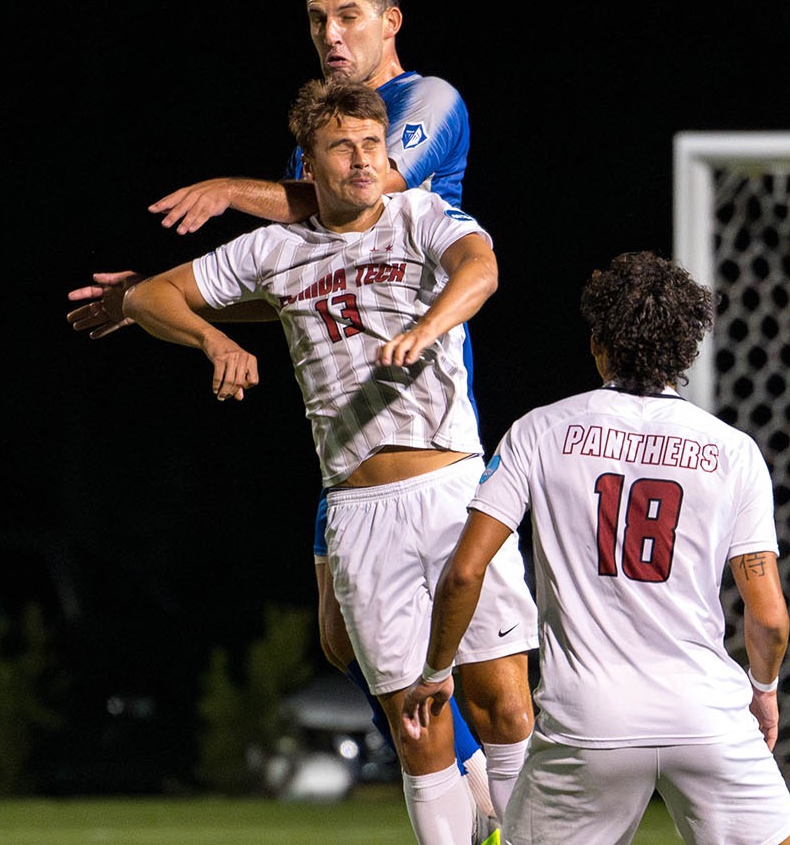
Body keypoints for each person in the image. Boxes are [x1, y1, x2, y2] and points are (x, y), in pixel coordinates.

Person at [66, 0, 499, 825]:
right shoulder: (311, 150)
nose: (331, 35)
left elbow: (367, 193)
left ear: (390, 22)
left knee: (479, 676)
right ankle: (475, 792)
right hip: (344, 419)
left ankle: (492, 800)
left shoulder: (427, 104)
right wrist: (166, 301)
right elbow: (304, 287)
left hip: (419, 409)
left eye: (349, 17)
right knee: (342, 640)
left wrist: (232, 190)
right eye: (316, 20)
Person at [117, 77, 535, 845]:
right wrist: (214, 340)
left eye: (373, 144)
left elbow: (482, 268)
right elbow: (150, 298)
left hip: (452, 494)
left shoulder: (420, 215)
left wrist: (429, 327)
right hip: (358, 511)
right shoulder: (273, 250)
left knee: (505, 707)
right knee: (416, 727)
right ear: (307, 166)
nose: (364, 160)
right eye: (344, 148)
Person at [403, 251, 790, 845]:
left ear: (598, 344)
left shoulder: (539, 431)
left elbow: (465, 572)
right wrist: (763, 691)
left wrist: (437, 671)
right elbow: (768, 618)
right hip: (706, 716)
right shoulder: (733, 451)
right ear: (685, 351)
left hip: (587, 722)